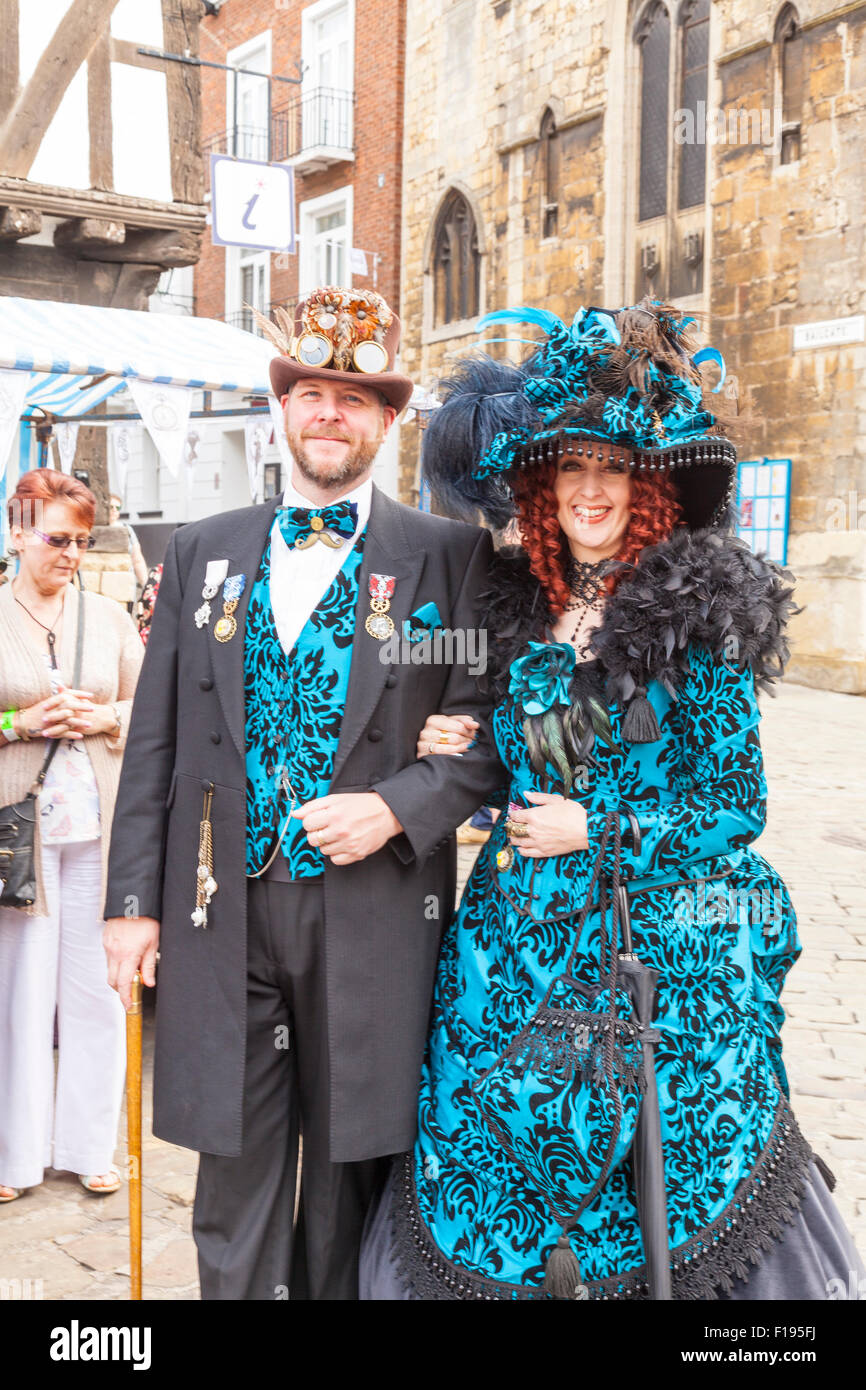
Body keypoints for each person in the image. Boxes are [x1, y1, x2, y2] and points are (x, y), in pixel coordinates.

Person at [360, 299, 865, 1300]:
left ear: (646, 486)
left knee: (654, 1192)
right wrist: (463, 740)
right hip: (508, 947)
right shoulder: (518, 608)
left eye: (612, 467)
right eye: (571, 468)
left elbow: (733, 803)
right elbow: (523, 751)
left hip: (652, 948)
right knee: (487, 1157)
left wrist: (601, 827)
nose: (589, 489)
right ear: (543, 488)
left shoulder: (698, 613)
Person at [102, 286, 504, 1299]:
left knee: (347, 1183)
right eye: (312, 393)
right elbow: (154, 742)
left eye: (356, 398)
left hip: (373, 914)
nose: (331, 413)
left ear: (386, 418)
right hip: (219, 914)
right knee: (229, 1177)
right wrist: (129, 905)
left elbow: (483, 737)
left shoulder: (448, 562)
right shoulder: (204, 552)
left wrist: (395, 806)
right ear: (282, 408)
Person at [0, 469, 143, 1202]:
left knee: (96, 992)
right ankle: (12, 1156)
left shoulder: (109, 618)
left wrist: (107, 718)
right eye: (57, 539)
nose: (70, 554)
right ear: (17, 531)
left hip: (98, 830)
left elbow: (148, 707)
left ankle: (90, 1144)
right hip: (15, 834)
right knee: (18, 993)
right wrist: (15, 725)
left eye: (82, 541)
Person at [109, 494, 148, 593]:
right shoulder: (92, 529)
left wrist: (146, 586)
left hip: (125, 584)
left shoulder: (127, 529)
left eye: (117, 507)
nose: (114, 510)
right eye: (110, 506)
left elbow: (137, 559)